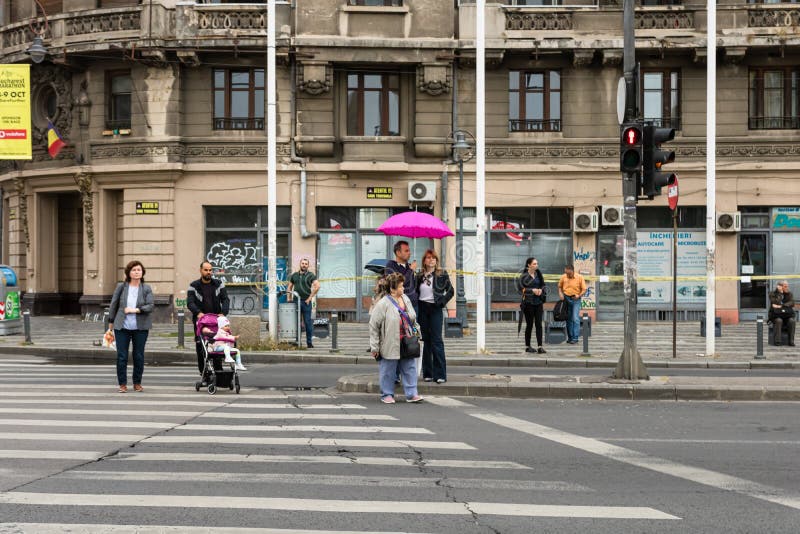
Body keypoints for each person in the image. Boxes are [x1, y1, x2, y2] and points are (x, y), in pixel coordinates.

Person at [369, 273, 423, 404]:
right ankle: (387, 394)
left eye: (402, 286)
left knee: (410, 367)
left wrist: (418, 334)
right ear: (392, 289)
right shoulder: (383, 304)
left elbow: (413, 318)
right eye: (400, 286)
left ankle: (412, 394)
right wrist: (374, 347)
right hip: (389, 342)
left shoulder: (405, 299)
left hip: (407, 340)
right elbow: (373, 326)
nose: (403, 289)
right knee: (388, 369)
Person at [108, 260, 154, 393]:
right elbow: (114, 304)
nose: (136, 272)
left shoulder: (146, 288)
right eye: (134, 270)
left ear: (142, 272)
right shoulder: (121, 287)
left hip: (141, 327)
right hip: (122, 326)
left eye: (139, 270)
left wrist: (135, 310)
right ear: (129, 272)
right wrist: (111, 323)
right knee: (122, 356)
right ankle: (122, 384)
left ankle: (137, 383)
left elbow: (150, 306)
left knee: (138, 355)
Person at [416, 249, 454, 383]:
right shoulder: (419, 275)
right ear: (424, 261)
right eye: (428, 258)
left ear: (436, 260)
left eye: (433, 258)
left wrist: (441, 302)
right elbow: (415, 293)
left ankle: (440, 374)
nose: (431, 260)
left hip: (435, 308)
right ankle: (428, 373)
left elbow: (451, 291)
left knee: (437, 341)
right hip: (422, 308)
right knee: (426, 341)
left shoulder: (442, 274)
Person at [187, 261, 230, 374]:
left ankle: (218, 372)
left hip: (216, 321)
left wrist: (223, 312)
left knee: (217, 345)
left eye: (210, 270)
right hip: (201, 322)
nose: (208, 272)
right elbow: (190, 302)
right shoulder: (193, 286)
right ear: (201, 270)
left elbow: (225, 299)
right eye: (206, 270)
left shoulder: (218, 283)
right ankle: (204, 373)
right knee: (201, 347)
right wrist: (198, 312)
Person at [287, 258, 320, 348]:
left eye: (306, 264)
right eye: (303, 263)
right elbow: (289, 287)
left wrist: (309, 298)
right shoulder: (294, 275)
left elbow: (317, 286)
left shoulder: (311, 275)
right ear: (300, 264)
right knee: (296, 322)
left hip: (306, 302)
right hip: (296, 302)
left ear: (308, 266)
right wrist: (289, 298)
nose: (304, 265)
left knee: (308, 322)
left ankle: (309, 343)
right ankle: (297, 341)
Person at [517, 257, 547, 354]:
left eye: (537, 263)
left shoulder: (538, 273)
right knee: (529, 325)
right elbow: (521, 289)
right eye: (534, 264)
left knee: (539, 324)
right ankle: (528, 346)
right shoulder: (523, 276)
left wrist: (541, 290)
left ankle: (540, 346)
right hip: (528, 303)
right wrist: (532, 290)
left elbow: (543, 284)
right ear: (529, 265)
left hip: (538, 302)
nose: (536, 265)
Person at [385, 241, 419, 314]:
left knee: (414, 325)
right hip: (398, 305)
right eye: (406, 251)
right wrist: (411, 270)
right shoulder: (390, 266)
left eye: (409, 250)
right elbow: (397, 283)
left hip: (413, 305)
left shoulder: (410, 266)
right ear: (398, 252)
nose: (409, 253)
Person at [558, 264, 587, 344]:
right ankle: (570, 337)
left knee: (575, 318)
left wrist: (579, 295)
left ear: (572, 271)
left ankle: (575, 338)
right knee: (568, 319)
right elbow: (560, 286)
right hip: (566, 299)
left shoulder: (580, 277)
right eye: (566, 273)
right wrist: (560, 294)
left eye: (569, 273)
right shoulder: (563, 277)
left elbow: (584, 289)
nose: (567, 275)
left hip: (576, 299)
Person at [769, 280, 795, 347]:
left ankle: (791, 341)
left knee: (792, 321)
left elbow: (792, 303)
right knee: (779, 320)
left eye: (787, 286)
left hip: (786, 314)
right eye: (785, 286)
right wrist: (780, 294)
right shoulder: (772, 294)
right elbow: (775, 302)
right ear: (780, 287)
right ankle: (777, 341)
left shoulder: (789, 293)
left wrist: (782, 306)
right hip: (776, 315)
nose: (787, 288)